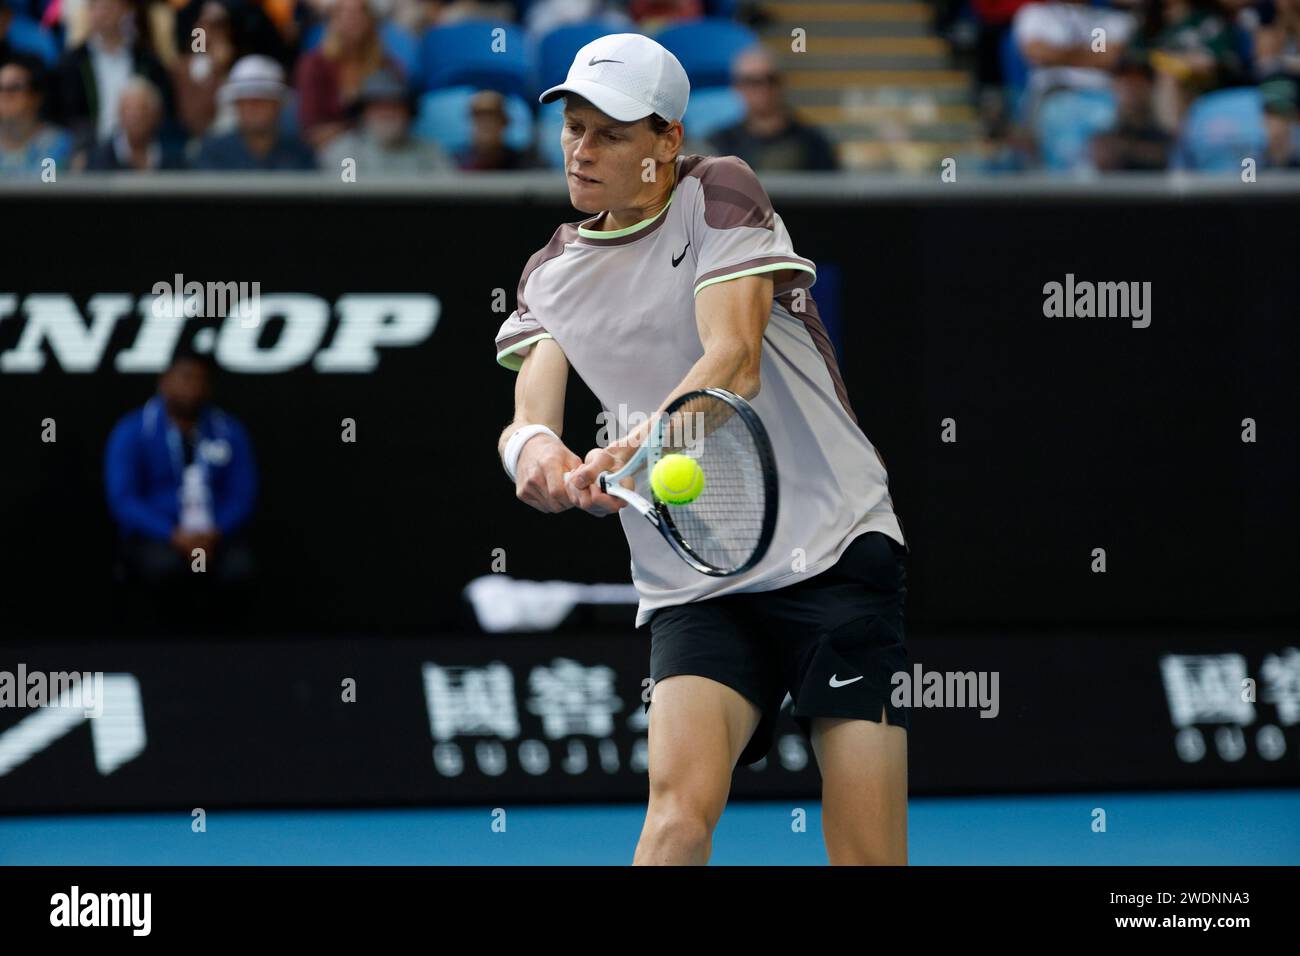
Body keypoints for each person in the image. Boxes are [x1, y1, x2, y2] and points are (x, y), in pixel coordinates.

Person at [495, 33, 909, 865]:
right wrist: (536, 457)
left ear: (667, 143)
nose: (583, 149)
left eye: (610, 133)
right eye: (574, 127)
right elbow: (527, 414)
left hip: (834, 549)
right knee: (677, 819)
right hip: (696, 579)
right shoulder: (552, 272)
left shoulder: (719, 194)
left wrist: (634, 452)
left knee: (867, 854)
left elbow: (734, 362)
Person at [104, 348, 257, 590]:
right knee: (162, 566)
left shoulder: (229, 431)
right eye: (186, 377)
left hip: (214, 534)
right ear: (164, 381)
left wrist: (214, 533)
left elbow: (242, 496)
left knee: (238, 567)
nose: (193, 387)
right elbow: (124, 499)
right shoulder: (133, 431)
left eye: (201, 380)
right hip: (158, 533)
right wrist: (173, 534)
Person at [55, 0, 174, 152]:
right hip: (86, 153)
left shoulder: (147, 61)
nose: (102, 13)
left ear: (125, 10)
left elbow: (164, 111)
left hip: (139, 151)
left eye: (109, 6)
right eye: (95, 7)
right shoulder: (71, 63)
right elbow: (63, 115)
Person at [706, 46, 838, 172]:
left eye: (771, 79)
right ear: (737, 87)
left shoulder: (813, 143)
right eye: (752, 81)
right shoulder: (719, 143)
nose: (763, 88)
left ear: (782, 83)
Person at [294, 0, 402, 149]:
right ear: (333, 20)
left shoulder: (387, 66)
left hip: (380, 153)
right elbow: (311, 131)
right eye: (345, 13)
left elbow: (400, 117)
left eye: (360, 12)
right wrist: (358, 129)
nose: (353, 18)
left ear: (370, 20)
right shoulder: (314, 66)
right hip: (327, 152)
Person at [320, 67, 452, 175]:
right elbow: (343, 197)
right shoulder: (346, 154)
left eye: (395, 106)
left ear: (408, 113)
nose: (387, 113)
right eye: (379, 106)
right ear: (364, 113)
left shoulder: (429, 153)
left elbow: (449, 195)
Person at [194, 53, 315, 169]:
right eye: (245, 101)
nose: (253, 108)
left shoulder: (300, 153)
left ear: (278, 105)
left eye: (261, 100)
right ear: (236, 105)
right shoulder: (213, 152)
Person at [85, 73, 186, 168]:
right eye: (128, 111)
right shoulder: (99, 159)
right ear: (120, 115)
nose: (135, 118)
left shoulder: (173, 159)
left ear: (155, 116)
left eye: (141, 111)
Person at [0, 56, 72, 177]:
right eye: (0, 89)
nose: (5, 95)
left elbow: (47, 188)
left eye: (14, 88)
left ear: (36, 97)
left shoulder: (56, 143)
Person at [456, 89, 533, 169]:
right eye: (479, 118)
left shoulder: (524, 163)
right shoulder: (457, 162)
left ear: (505, 122)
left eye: (492, 118)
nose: (486, 125)